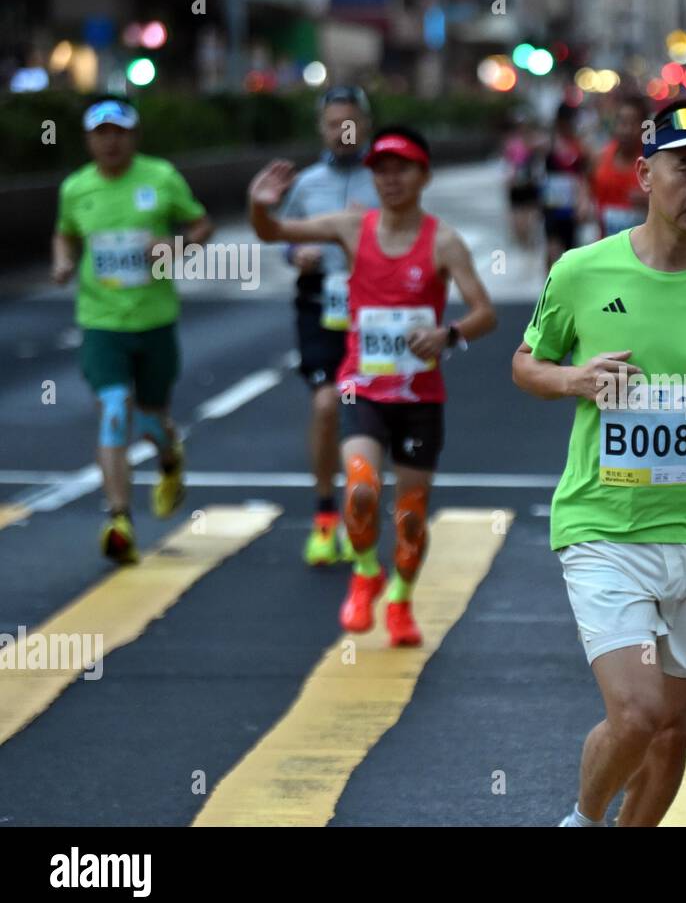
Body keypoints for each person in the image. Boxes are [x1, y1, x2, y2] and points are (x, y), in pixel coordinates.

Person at [512, 98, 686, 826]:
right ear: (644, 173)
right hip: (603, 524)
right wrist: (574, 378)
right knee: (636, 713)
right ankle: (582, 817)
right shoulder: (581, 271)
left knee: (674, 727)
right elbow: (526, 364)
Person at [248, 126, 497, 645]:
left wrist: (448, 334)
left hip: (419, 398)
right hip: (360, 389)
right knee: (361, 487)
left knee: (409, 518)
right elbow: (274, 235)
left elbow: (485, 313)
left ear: (424, 176)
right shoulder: (351, 228)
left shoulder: (443, 241)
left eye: (401, 168)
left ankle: (402, 599)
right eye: (380, 169)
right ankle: (365, 571)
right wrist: (260, 207)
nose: (390, 179)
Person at [52, 95, 214, 563]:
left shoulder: (160, 177)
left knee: (151, 419)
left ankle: (169, 457)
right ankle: (118, 518)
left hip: (154, 321)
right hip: (101, 322)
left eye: (119, 133)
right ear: (88, 141)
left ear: (133, 137)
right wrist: (63, 260)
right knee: (114, 406)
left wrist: (176, 245)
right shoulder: (76, 188)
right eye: (101, 134)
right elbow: (64, 231)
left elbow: (202, 224)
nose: (111, 142)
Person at [278, 85, 381, 566]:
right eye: (332, 124)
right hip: (320, 305)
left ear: (365, 125)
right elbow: (283, 236)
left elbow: (415, 233)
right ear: (320, 129)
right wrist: (296, 253)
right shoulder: (306, 185)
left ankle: (363, 512)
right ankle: (324, 516)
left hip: (375, 312)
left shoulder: (386, 180)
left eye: (351, 122)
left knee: (367, 413)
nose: (342, 132)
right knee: (325, 404)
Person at [589, 93, 649, 239]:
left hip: (642, 251)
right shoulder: (600, 158)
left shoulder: (652, 162)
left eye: (633, 123)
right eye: (622, 122)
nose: (627, 130)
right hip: (606, 244)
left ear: (644, 127)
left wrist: (651, 201)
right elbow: (587, 189)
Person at [541, 103, 590, 272]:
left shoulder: (579, 146)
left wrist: (583, 202)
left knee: (570, 250)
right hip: (552, 205)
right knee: (552, 247)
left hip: (571, 205)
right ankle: (548, 284)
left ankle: (567, 284)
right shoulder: (549, 143)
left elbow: (584, 176)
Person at [503, 108, 544, 248]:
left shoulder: (533, 140)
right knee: (518, 215)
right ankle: (523, 237)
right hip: (516, 183)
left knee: (530, 212)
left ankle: (528, 236)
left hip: (530, 182)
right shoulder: (511, 142)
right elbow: (507, 164)